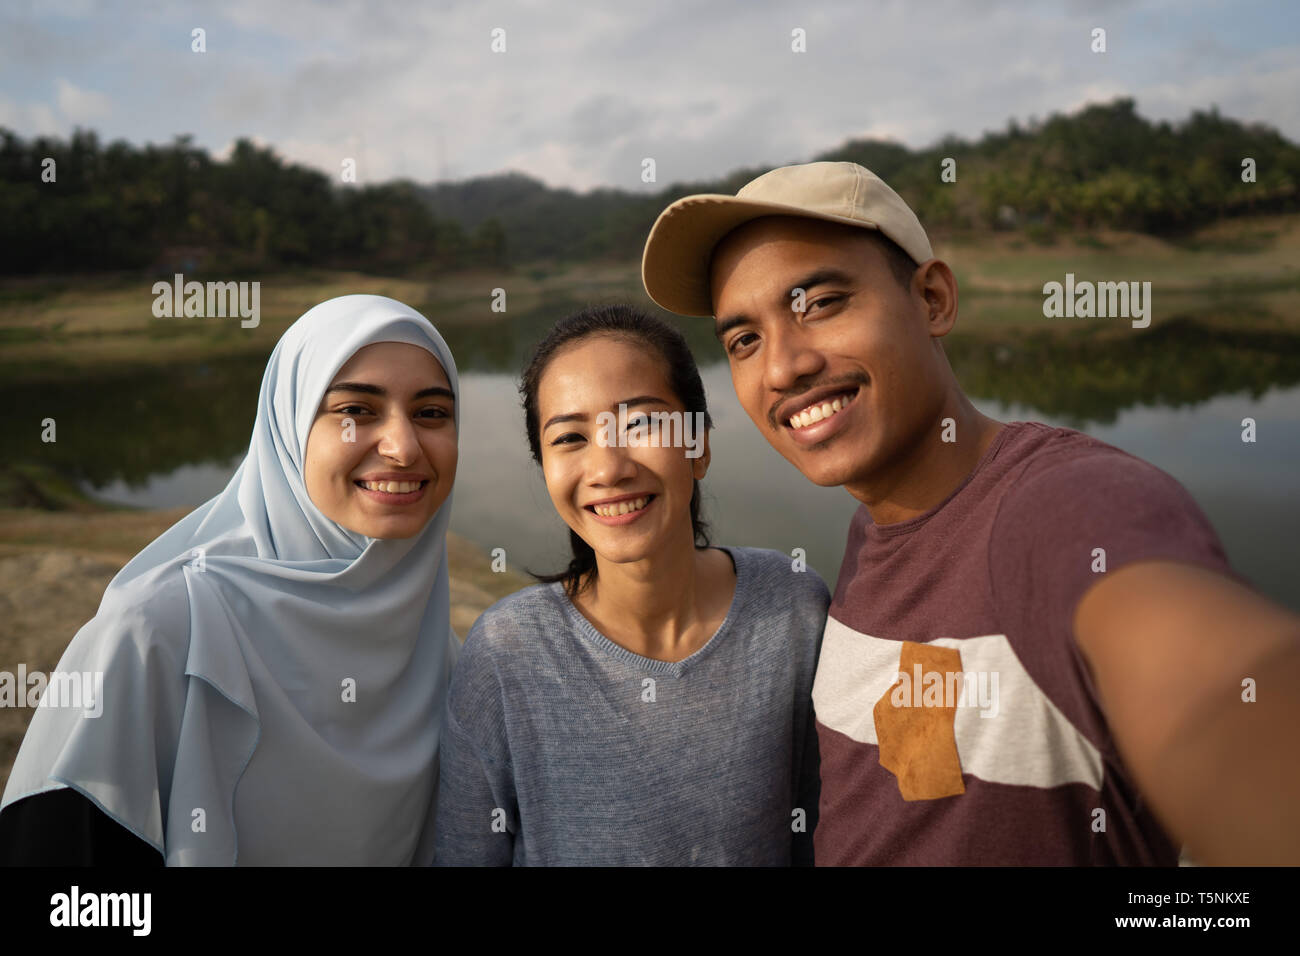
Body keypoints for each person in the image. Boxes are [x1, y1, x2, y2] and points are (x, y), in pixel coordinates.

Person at [641, 161, 1300, 866]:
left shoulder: (1064, 504)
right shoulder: (878, 530)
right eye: (744, 340)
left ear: (932, 299)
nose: (782, 368)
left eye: (822, 303)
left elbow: (1224, 706)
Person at [0, 294, 461, 865]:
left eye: (432, 413)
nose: (403, 447)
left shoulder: (438, 648)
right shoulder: (161, 630)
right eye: (356, 412)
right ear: (287, 429)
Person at [433, 304, 826, 866]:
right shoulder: (507, 654)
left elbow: (822, 835)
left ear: (700, 445)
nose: (607, 467)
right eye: (569, 438)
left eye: (641, 424)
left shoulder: (793, 609)